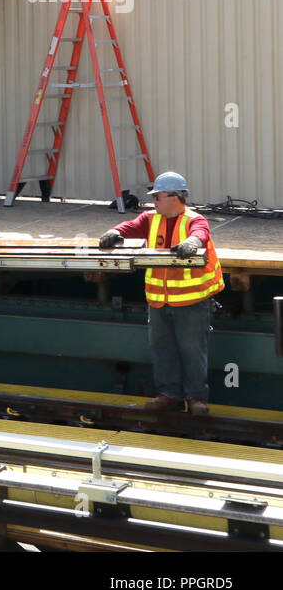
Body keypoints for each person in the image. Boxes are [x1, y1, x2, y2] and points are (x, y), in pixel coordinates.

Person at [98, 171, 223, 415]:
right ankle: (169, 395)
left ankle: (196, 398)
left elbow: (201, 234)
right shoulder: (150, 219)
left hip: (191, 301)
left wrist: (193, 244)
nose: (153, 202)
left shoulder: (194, 220)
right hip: (158, 301)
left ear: (175, 197)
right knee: (162, 348)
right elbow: (130, 226)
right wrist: (114, 232)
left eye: (158, 197)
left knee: (192, 350)